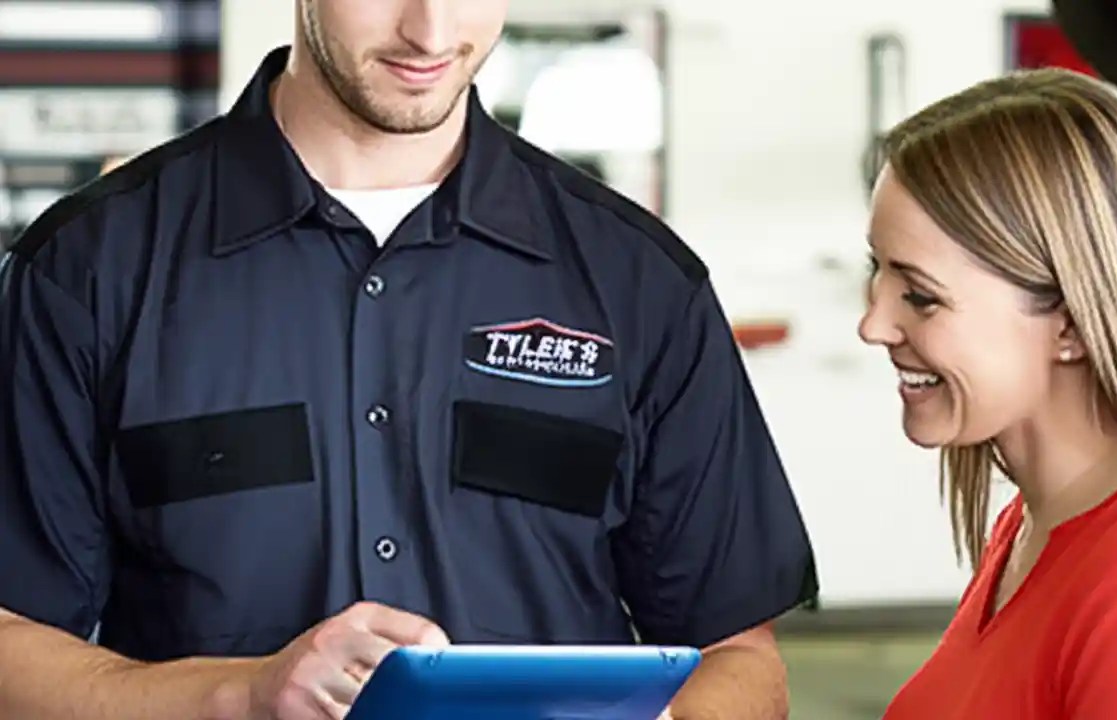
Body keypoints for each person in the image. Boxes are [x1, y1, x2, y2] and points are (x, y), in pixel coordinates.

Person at [0, 1, 817, 718]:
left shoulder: (639, 282)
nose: (430, 30)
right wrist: (240, 697)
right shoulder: (86, 272)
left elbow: (739, 659)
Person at [859, 68, 1117, 718]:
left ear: (1071, 325)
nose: (873, 324)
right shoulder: (1030, 528)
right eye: (878, 271)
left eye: (920, 295)